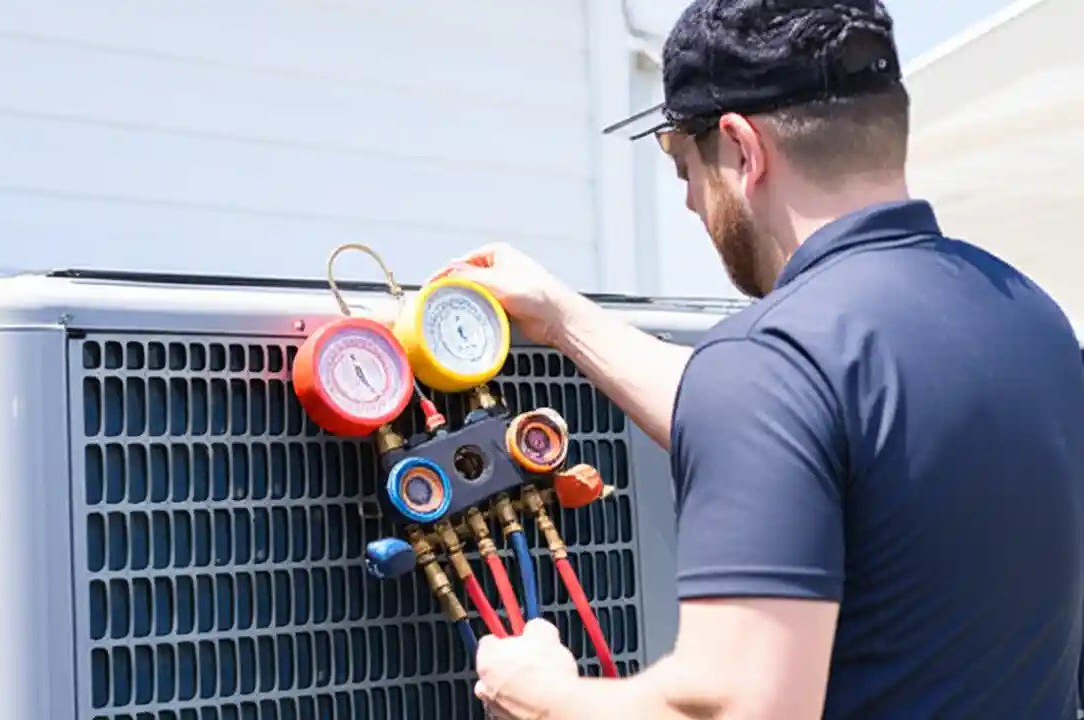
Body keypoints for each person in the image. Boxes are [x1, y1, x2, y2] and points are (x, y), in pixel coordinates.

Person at [432, 1, 1084, 718]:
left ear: (743, 150)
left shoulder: (769, 365)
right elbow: (812, 427)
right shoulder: (1033, 320)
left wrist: (539, 694)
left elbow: (733, 710)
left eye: (684, 165)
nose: (689, 202)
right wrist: (562, 317)